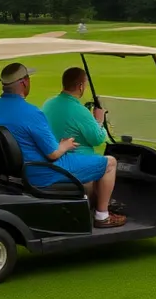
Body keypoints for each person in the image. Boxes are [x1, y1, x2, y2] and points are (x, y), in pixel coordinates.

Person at [0, 62, 126, 228]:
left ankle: (88, 208)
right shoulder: (31, 113)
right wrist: (65, 145)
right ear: (24, 82)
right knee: (110, 163)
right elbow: (53, 154)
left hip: (15, 169)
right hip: (43, 171)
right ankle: (102, 216)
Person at [42, 67, 129, 224]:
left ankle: (101, 205)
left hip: (54, 159)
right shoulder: (79, 111)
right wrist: (99, 120)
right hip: (72, 161)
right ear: (81, 86)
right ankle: (102, 215)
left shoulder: (49, 103)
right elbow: (97, 138)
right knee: (110, 163)